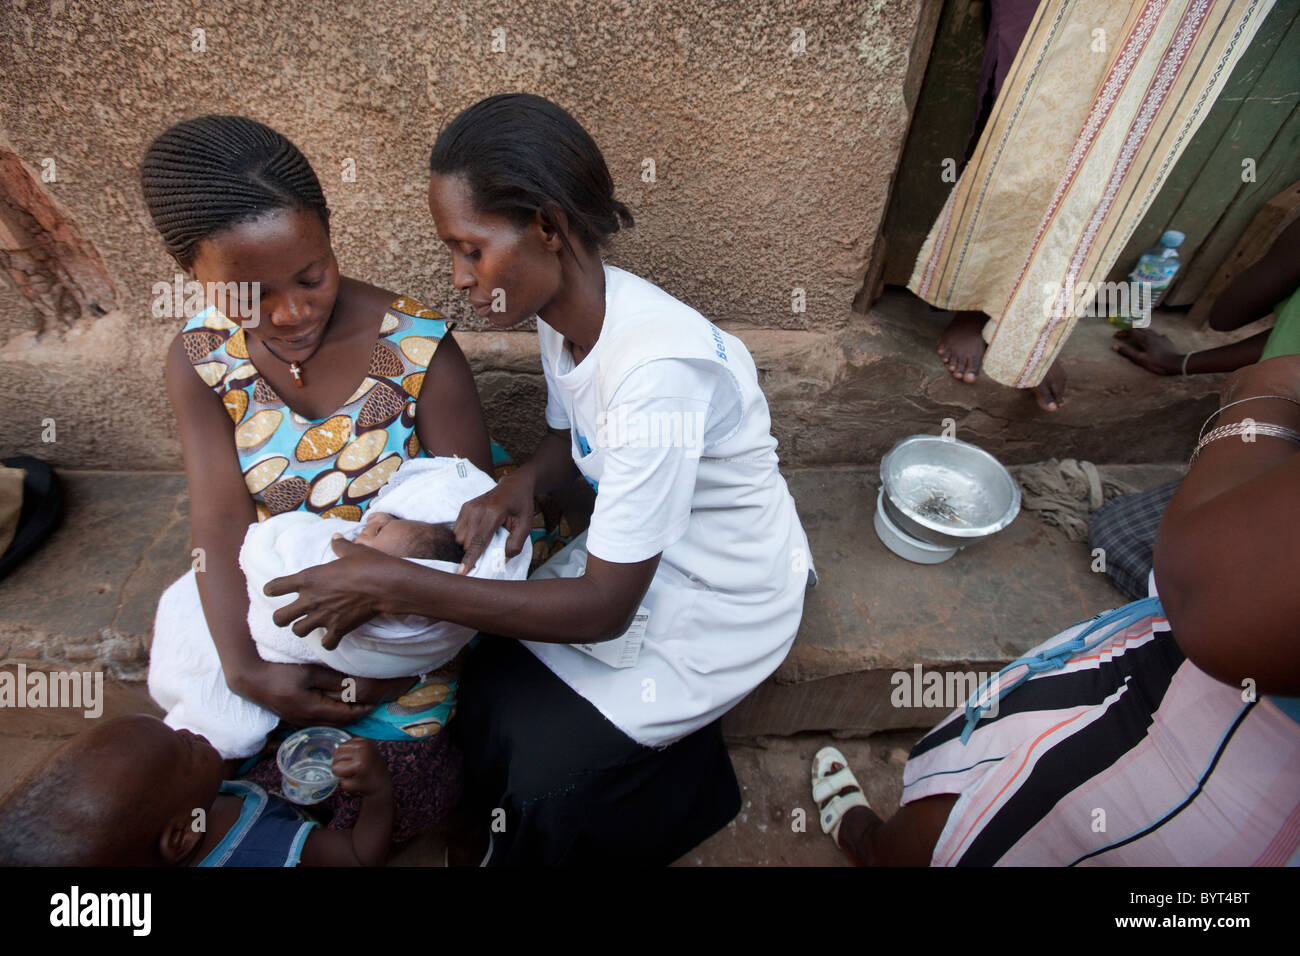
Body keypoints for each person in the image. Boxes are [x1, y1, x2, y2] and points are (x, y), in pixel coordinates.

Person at [265, 93, 816, 865]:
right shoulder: (575, 316)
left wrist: (395, 586)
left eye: (470, 250)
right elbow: (573, 435)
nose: (458, 277)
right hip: (643, 553)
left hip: (720, 587)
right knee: (490, 687)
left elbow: (601, 610)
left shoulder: (657, 374)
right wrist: (522, 481)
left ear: (548, 228)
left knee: (546, 784)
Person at [141, 115, 489, 840]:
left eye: (311, 276)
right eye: (249, 295)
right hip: (277, 615)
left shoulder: (417, 348)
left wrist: (379, 682)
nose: (292, 313)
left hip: (405, 624)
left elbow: (471, 541)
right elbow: (217, 526)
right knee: (199, 781)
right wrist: (245, 673)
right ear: (191, 275)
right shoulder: (201, 358)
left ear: (330, 233)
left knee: (390, 798)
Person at [813, 353, 1300, 865]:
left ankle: (877, 850)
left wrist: (1265, 400)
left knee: (996, 808)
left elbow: (1207, 595)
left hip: (1199, 750)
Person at [151, 455, 530, 760]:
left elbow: (425, 630)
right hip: (234, 610)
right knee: (219, 705)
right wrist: (246, 672)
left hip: (362, 677)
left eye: (378, 533)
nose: (369, 526)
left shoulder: (410, 611)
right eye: (382, 522)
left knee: (406, 763)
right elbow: (266, 548)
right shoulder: (202, 369)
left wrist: (396, 668)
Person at [0, 715, 393, 866]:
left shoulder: (179, 811)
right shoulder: (264, 848)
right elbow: (358, 855)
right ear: (182, 835)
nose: (189, 730)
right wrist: (377, 790)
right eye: (184, 749)